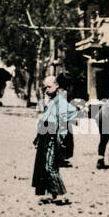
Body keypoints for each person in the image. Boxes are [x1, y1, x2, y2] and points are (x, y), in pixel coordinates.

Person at [32, 73, 75, 205]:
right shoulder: (52, 101)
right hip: (46, 136)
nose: (46, 90)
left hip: (53, 138)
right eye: (45, 87)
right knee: (44, 166)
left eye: (49, 87)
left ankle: (62, 194)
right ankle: (51, 193)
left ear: (56, 86)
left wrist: (61, 137)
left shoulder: (60, 101)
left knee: (50, 167)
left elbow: (70, 115)